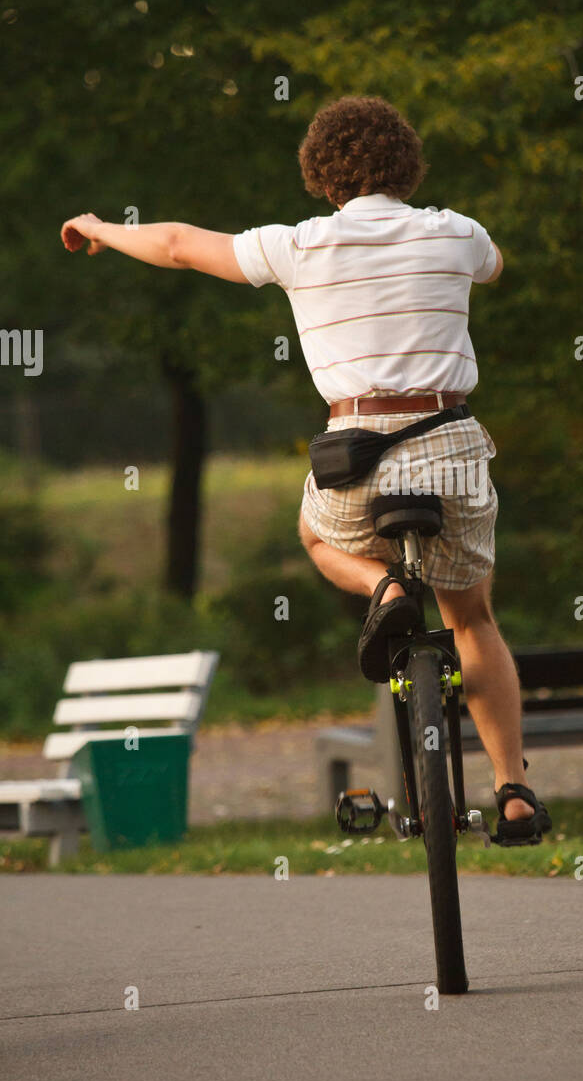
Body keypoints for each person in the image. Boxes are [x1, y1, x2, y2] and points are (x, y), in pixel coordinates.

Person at [61, 95, 551, 845]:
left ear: (322, 175)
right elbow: (495, 266)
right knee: (472, 618)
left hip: (354, 457)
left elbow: (179, 244)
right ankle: (513, 790)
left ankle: (382, 587)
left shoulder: (297, 245)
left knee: (318, 537)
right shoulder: (457, 232)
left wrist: (100, 228)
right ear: (409, 165)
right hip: (448, 447)